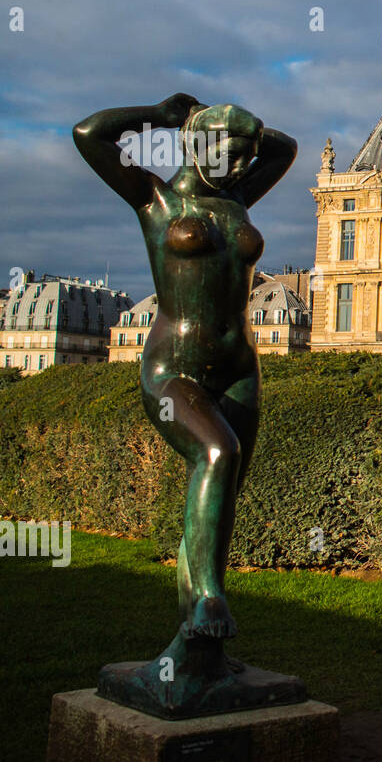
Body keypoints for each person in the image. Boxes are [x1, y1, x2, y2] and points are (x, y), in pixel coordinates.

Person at [73, 94, 296, 649]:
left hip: (241, 368)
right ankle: (205, 600)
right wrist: (167, 114)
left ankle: (197, 649)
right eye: (228, 152)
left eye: (245, 155)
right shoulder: (155, 201)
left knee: (220, 499)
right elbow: (89, 134)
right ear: (195, 145)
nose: (242, 165)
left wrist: (240, 130)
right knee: (217, 456)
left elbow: (285, 148)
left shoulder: (239, 198)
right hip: (173, 371)